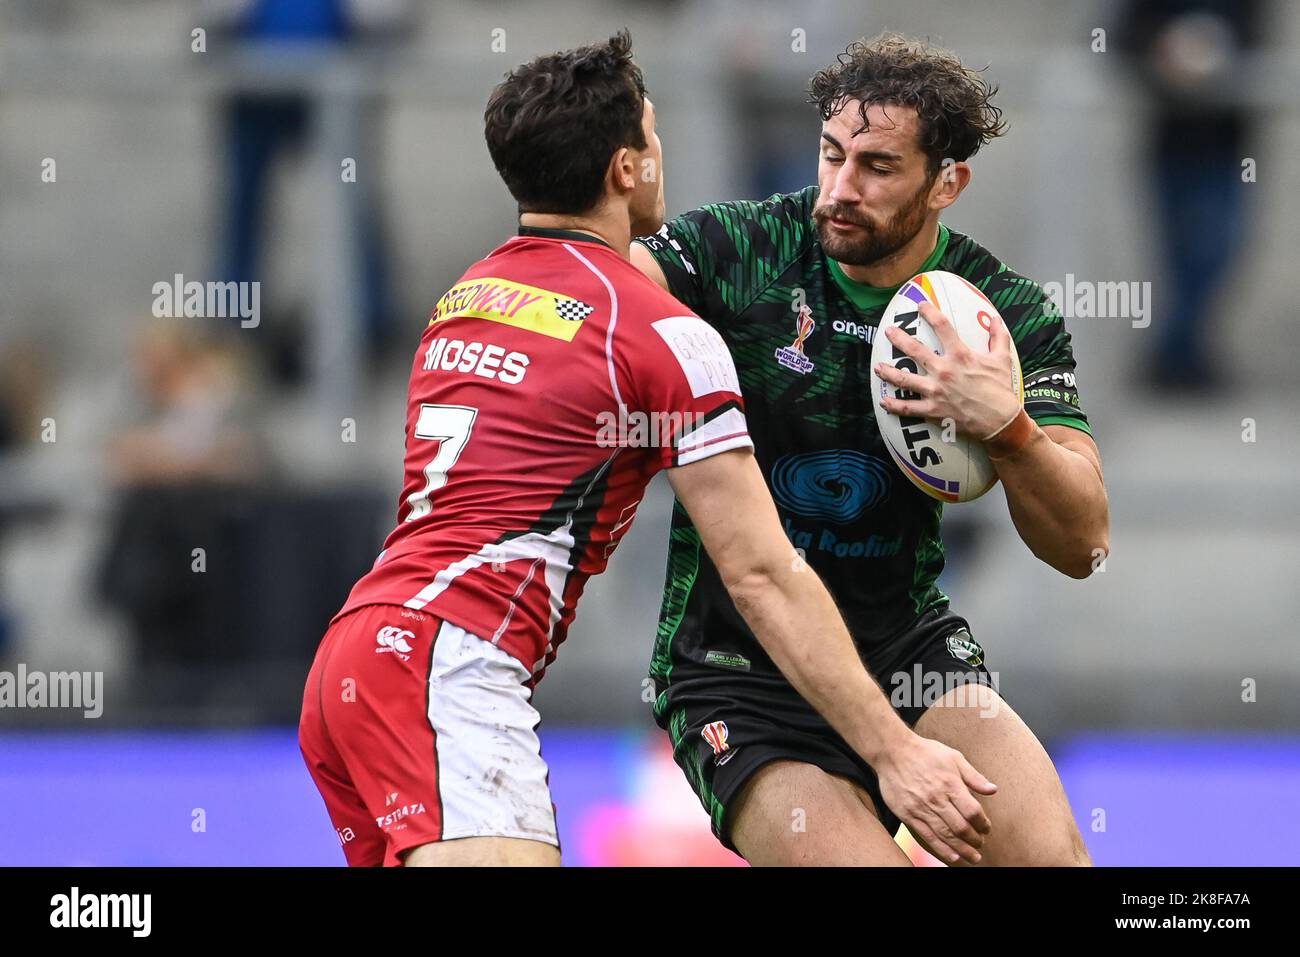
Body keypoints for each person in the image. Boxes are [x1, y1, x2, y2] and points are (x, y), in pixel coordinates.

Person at [298, 31, 996, 868]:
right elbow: (763, 573)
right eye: (654, 137)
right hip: (452, 663)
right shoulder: (662, 331)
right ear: (628, 167)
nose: (662, 154)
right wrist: (894, 750)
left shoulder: (471, 293)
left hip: (357, 655)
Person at [631, 32, 1110, 866]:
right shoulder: (739, 253)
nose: (841, 190)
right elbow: (595, 285)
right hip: (740, 671)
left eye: (879, 168)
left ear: (947, 182)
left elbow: (1083, 544)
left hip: (906, 653)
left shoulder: (1004, 314)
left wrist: (1008, 427)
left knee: (1053, 859)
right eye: (831, 156)